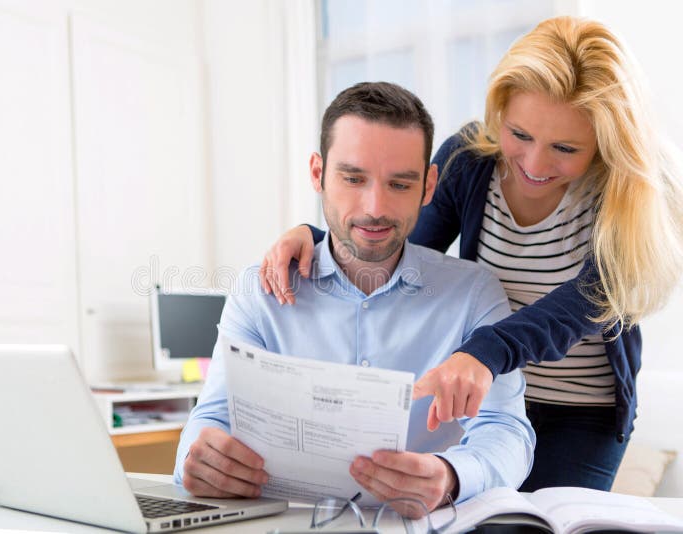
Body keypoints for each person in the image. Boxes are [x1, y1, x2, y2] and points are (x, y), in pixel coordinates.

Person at [259, 16, 683, 492]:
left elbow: (581, 306)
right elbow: (403, 247)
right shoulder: (468, 161)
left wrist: (484, 352)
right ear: (500, 110)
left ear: (605, 142)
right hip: (486, 405)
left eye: (564, 148)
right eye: (520, 135)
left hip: (580, 416)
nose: (535, 164)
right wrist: (319, 239)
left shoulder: (627, 193)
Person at [173, 82, 535, 516]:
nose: (375, 208)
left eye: (400, 184)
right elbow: (210, 420)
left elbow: (508, 430)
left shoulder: (474, 294)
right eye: (352, 178)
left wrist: (451, 477)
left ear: (428, 186)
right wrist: (199, 460)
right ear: (317, 174)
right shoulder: (261, 291)